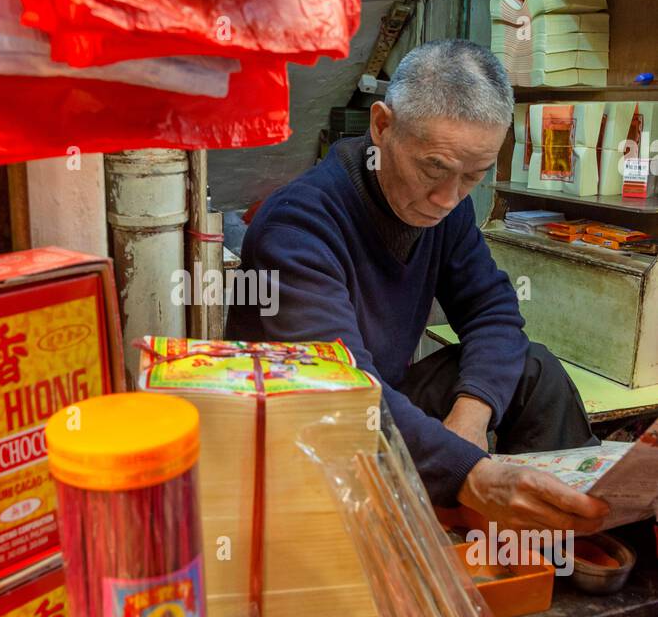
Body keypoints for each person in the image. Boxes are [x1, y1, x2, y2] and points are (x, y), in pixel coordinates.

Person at [227, 38, 609, 536]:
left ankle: (558, 531)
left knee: (532, 369)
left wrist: (472, 414)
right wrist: (469, 472)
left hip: (375, 407)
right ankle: (488, 527)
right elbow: (344, 390)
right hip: (303, 433)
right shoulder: (297, 227)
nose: (448, 198)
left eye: (473, 176)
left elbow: (492, 310)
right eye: (434, 168)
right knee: (377, 419)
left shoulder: (442, 210)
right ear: (382, 125)